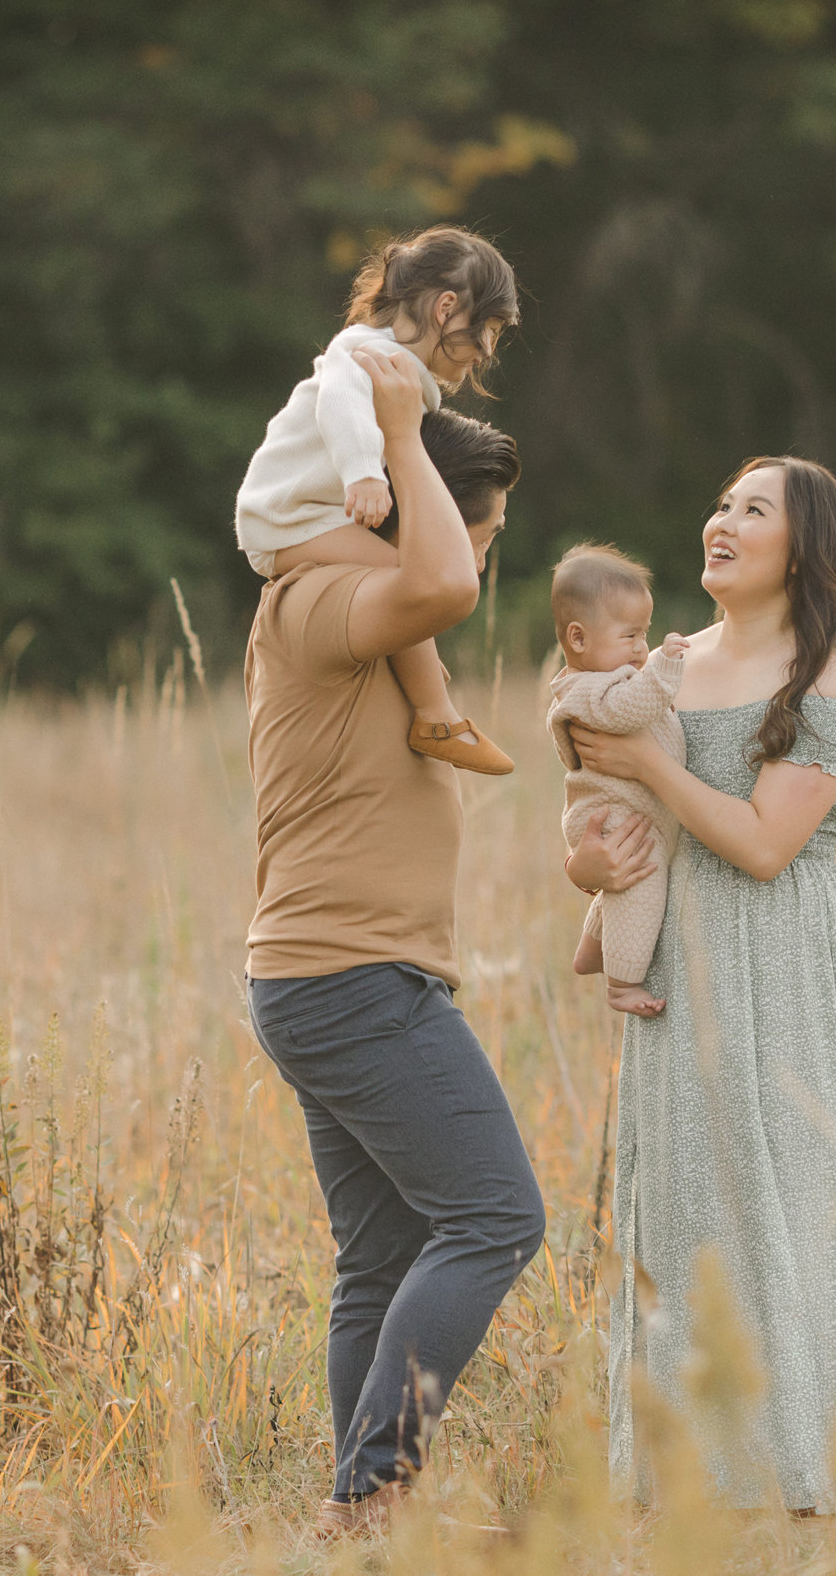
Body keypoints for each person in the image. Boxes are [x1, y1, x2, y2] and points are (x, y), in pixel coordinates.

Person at [562, 456, 836, 1514]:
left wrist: (653, 766)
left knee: (791, 1197)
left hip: (782, 953)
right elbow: (603, 818)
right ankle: (684, 1470)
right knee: (682, 1204)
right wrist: (590, 870)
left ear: (804, 547)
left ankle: (809, 1463)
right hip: (680, 950)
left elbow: (764, 843)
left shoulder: (829, 671)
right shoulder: (662, 662)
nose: (721, 520)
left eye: (752, 510)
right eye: (719, 502)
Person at [243, 343, 542, 1535]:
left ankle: (356, 1512)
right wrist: (406, 442)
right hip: (351, 979)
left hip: (339, 975)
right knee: (495, 1217)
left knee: (382, 1258)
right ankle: (371, 1492)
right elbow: (442, 582)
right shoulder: (333, 603)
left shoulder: (355, 611)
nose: (487, 549)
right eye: (488, 525)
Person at [235, 225, 522, 775]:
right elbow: (339, 404)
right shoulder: (366, 354)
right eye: (486, 330)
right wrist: (365, 473)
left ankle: (430, 697)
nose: (487, 351)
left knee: (410, 578)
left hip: (307, 516)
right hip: (287, 519)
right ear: (445, 309)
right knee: (412, 576)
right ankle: (436, 716)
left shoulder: (398, 367)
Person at [545, 543, 688, 1017]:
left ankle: (591, 951)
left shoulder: (605, 677)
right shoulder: (587, 691)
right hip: (612, 816)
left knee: (621, 891)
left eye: (644, 635)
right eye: (630, 636)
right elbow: (626, 710)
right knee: (639, 889)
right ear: (579, 639)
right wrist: (663, 673)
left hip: (626, 812)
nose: (642, 648)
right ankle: (622, 985)